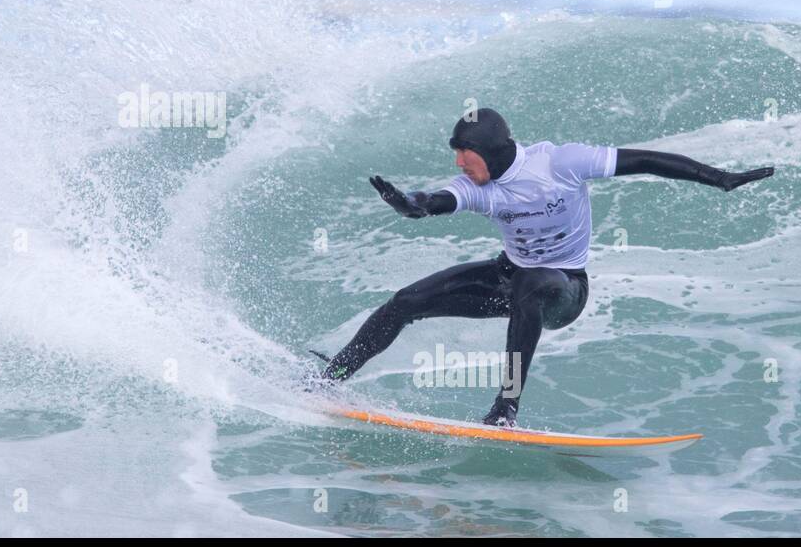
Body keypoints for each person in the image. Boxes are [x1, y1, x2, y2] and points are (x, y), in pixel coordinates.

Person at [315, 107, 774, 426]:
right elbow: (435, 201)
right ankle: (330, 379)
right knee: (405, 302)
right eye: (455, 154)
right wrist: (408, 204)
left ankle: (505, 408)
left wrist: (719, 178)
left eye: (465, 154)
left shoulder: (559, 162)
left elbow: (646, 160)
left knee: (533, 284)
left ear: (490, 151)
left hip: (564, 289)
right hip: (507, 278)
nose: (458, 162)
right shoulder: (479, 185)